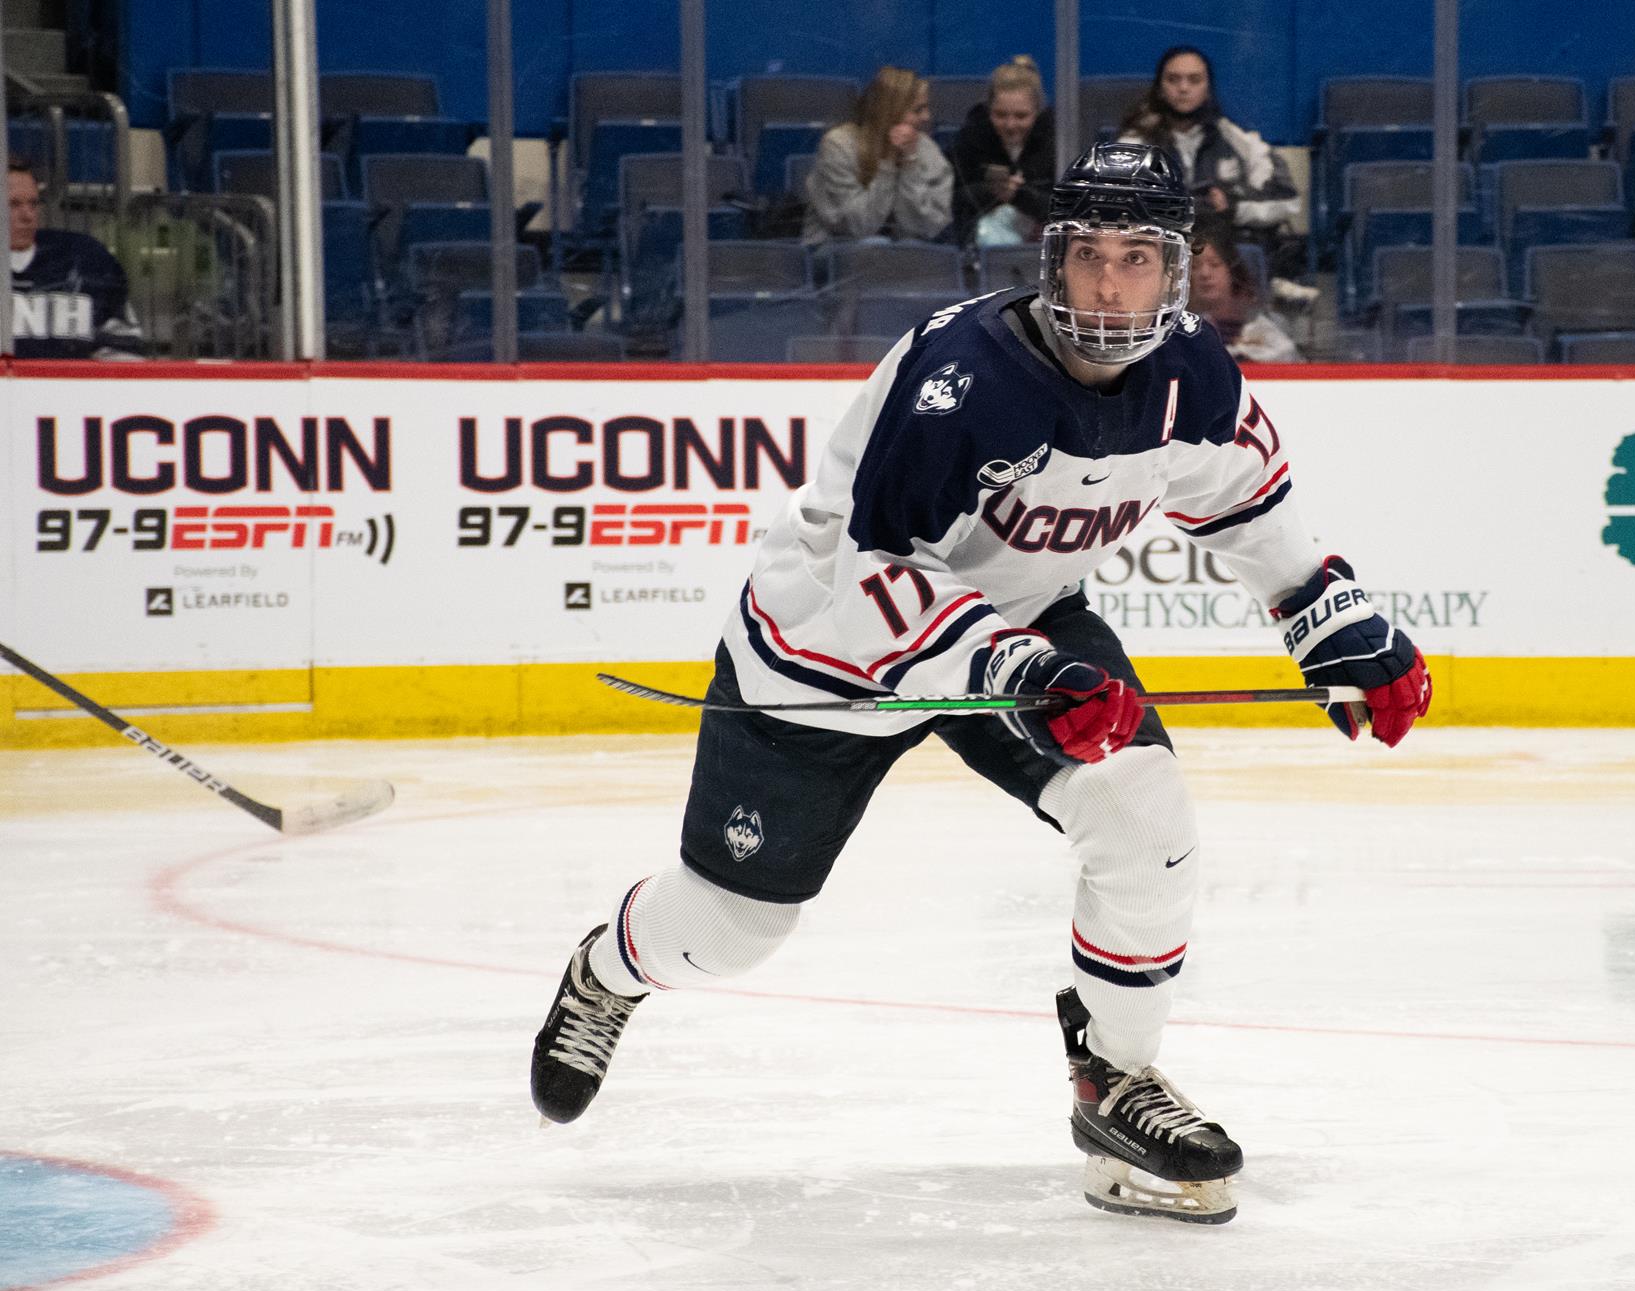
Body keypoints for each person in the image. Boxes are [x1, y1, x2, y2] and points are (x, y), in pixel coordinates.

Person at [530, 143, 1431, 1226]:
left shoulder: (1195, 376)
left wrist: (1334, 628)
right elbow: (874, 576)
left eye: (1135, 259)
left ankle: (1116, 1079)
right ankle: (609, 969)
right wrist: (1019, 667)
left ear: (1176, 271)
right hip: (827, 652)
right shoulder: (958, 376)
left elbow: (1250, 511)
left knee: (1141, 810)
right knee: (731, 930)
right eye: (1088, 255)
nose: (1108, 283)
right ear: (1050, 260)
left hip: (1022, 627)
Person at [1116, 46, 1313, 302]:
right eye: (1174, 79)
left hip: (1229, 263)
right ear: (1159, 87)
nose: (1184, 88)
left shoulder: (1235, 138)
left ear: (1208, 88)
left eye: (1194, 80)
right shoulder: (1134, 144)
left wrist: (1232, 206)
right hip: (1156, 264)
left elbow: (1287, 200)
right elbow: (1112, 205)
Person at [802, 66, 954, 247]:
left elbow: (927, 228)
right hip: (833, 252)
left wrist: (910, 163)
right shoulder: (838, 145)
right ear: (890, 112)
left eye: (927, 108)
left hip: (901, 255)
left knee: (911, 247)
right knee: (875, 245)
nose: (927, 116)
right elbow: (859, 227)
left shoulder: (924, 148)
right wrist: (888, 162)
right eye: (918, 110)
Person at [8, 156, 143, 359]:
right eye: (13, 204)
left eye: (33, 204)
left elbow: (125, 354)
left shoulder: (86, 259)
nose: (28, 215)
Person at [950, 55, 1056, 247]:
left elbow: (1067, 206)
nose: (1010, 125)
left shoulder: (1055, 140)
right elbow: (955, 200)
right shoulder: (972, 136)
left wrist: (1019, 195)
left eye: (1021, 116)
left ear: (1038, 111)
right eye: (1000, 115)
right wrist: (992, 191)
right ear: (988, 109)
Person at [1186, 219, 1300, 363]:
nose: (1205, 273)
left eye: (1215, 264)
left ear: (1233, 271)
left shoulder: (1262, 323)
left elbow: (1289, 358)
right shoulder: (1178, 325)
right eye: (1195, 266)